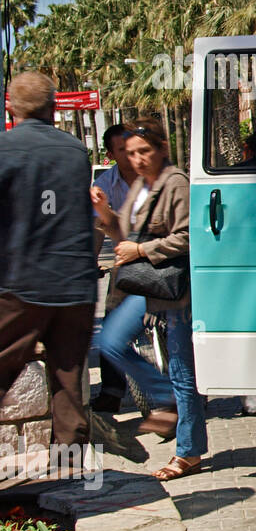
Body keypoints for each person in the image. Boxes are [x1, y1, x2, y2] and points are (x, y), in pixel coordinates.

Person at [91, 119, 208, 481]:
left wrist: (143, 248)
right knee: (110, 342)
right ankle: (163, 397)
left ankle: (188, 452)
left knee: (182, 370)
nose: (138, 159)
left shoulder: (176, 184)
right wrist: (104, 212)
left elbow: (189, 236)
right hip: (147, 287)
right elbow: (120, 234)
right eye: (131, 153)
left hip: (173, 288)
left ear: (161, 149)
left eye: (144, 151)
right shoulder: (142, 186)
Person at [0, 72, 98, 447]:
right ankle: (70, 469)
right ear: (53, 107)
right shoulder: (75, 150)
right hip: (76, 285)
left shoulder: (6, 148)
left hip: (23, 282)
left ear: (10, 105)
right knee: (69, 379)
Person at [89, 123, 133, 413]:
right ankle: (112, 391)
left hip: (160, 260)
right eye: (122, 151)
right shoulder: (105, 184)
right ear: (111, 154)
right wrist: (91, 261)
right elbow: (97, 227)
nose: (131, 157)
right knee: (112, 325)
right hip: (124, 261)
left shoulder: (157, 177)